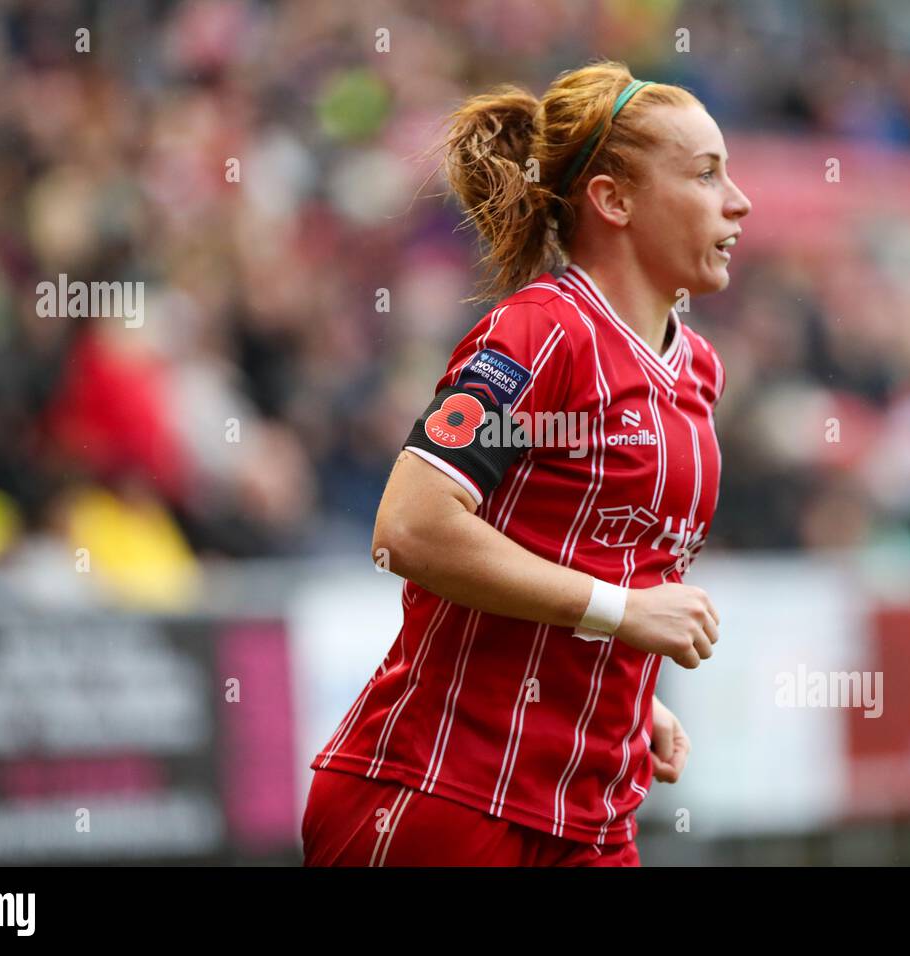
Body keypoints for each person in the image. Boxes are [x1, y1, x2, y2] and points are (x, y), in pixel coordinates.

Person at [302, 60, 750, 866]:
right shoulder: (541, 337)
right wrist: (624, 616)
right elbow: (412, 526)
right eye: (706, 174)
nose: (737, 200)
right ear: (613, 201)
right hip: (440, 797)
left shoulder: (698, 371)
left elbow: (569, 545)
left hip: (591, 815)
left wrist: (626, 699)